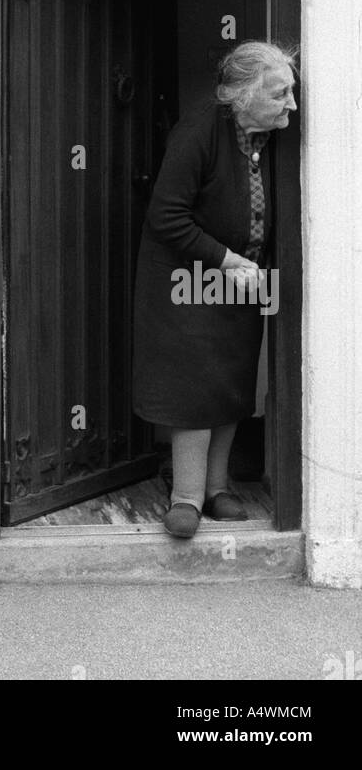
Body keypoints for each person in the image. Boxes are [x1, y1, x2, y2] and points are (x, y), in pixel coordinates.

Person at [132, 40, 297, 539]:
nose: (291, 104)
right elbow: (166, 217)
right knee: (193, 386)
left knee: (232, 380)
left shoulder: (267, 138)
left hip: (240, 282)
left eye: (291, 91)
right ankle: (185, 497)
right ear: (241, 96)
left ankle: (215, 489)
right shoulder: (200, 131)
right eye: (279, 93)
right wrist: (226, 261)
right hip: (189, 280)